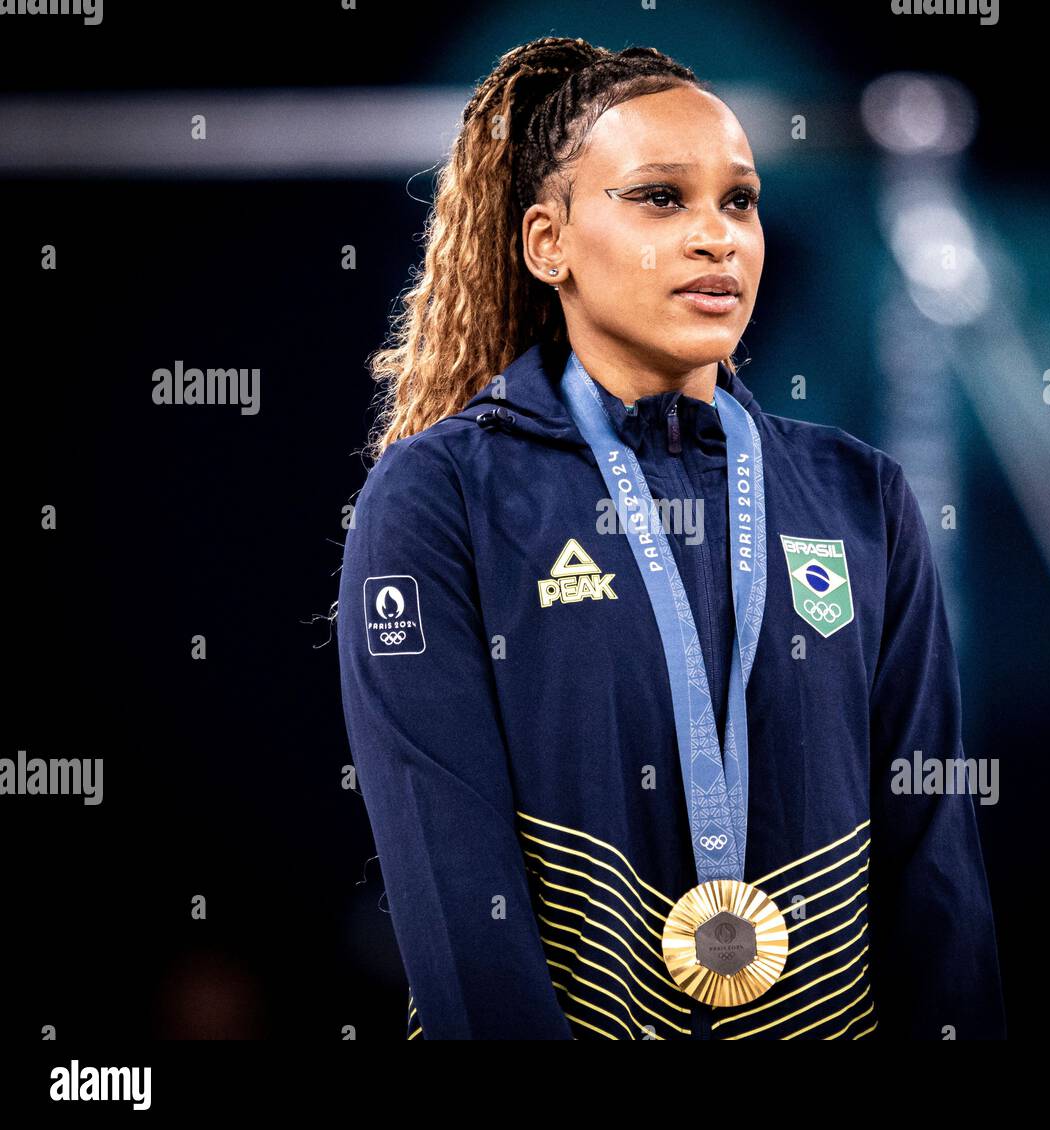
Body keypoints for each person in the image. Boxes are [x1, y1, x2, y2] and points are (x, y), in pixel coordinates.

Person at [336, 35, 1005, 1040]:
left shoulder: (859, 494)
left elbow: (936, 874)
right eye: (659, 197)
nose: (716, 236)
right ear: (547, 242)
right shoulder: (439, 497)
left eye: (738, 201)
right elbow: (455, 892)